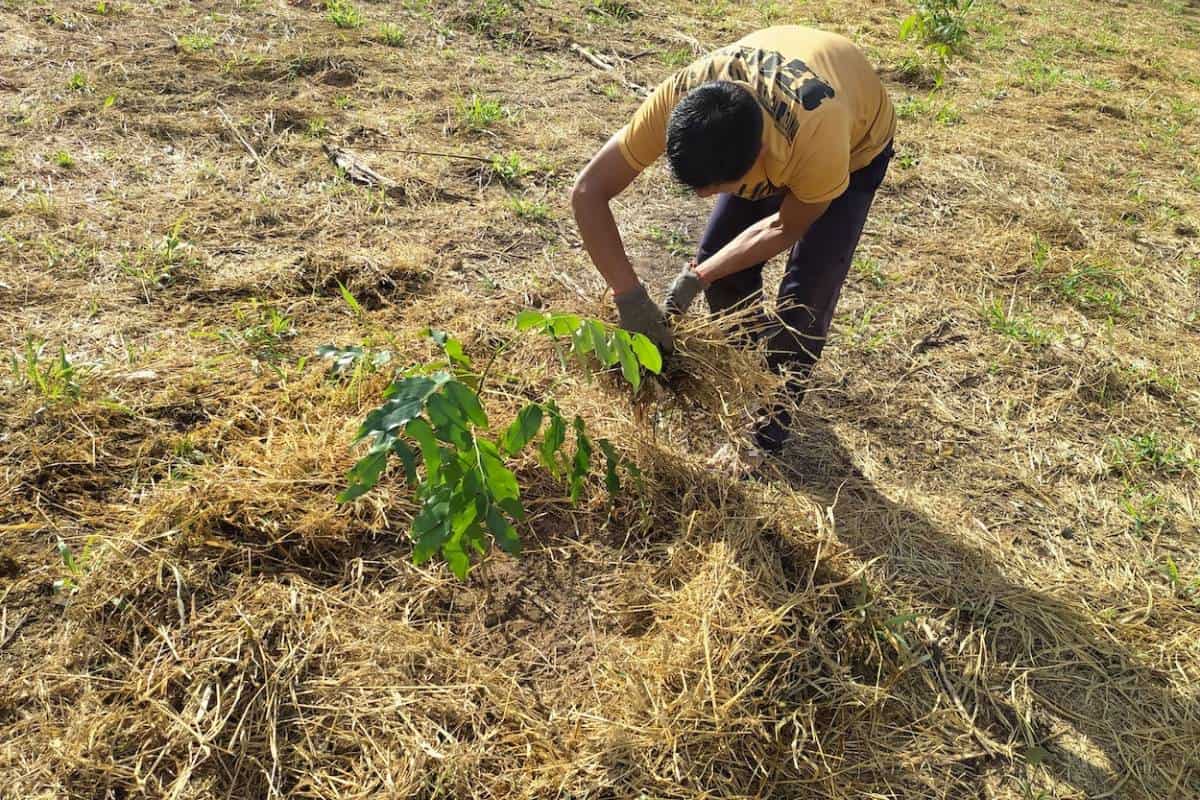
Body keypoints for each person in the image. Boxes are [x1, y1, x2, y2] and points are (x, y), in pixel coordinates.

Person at [569, 25, 895, 467]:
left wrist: (699, 275)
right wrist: (630, 296)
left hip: (856, 144)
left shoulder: (817, 138)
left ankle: (766, 432)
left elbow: (783, 226)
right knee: (721, 271)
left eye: (722, 188)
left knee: (804, 306)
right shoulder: (681, 97)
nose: (708, 199)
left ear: (761, 154)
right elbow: (588, 191)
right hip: (782, 97)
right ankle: (749, 379)